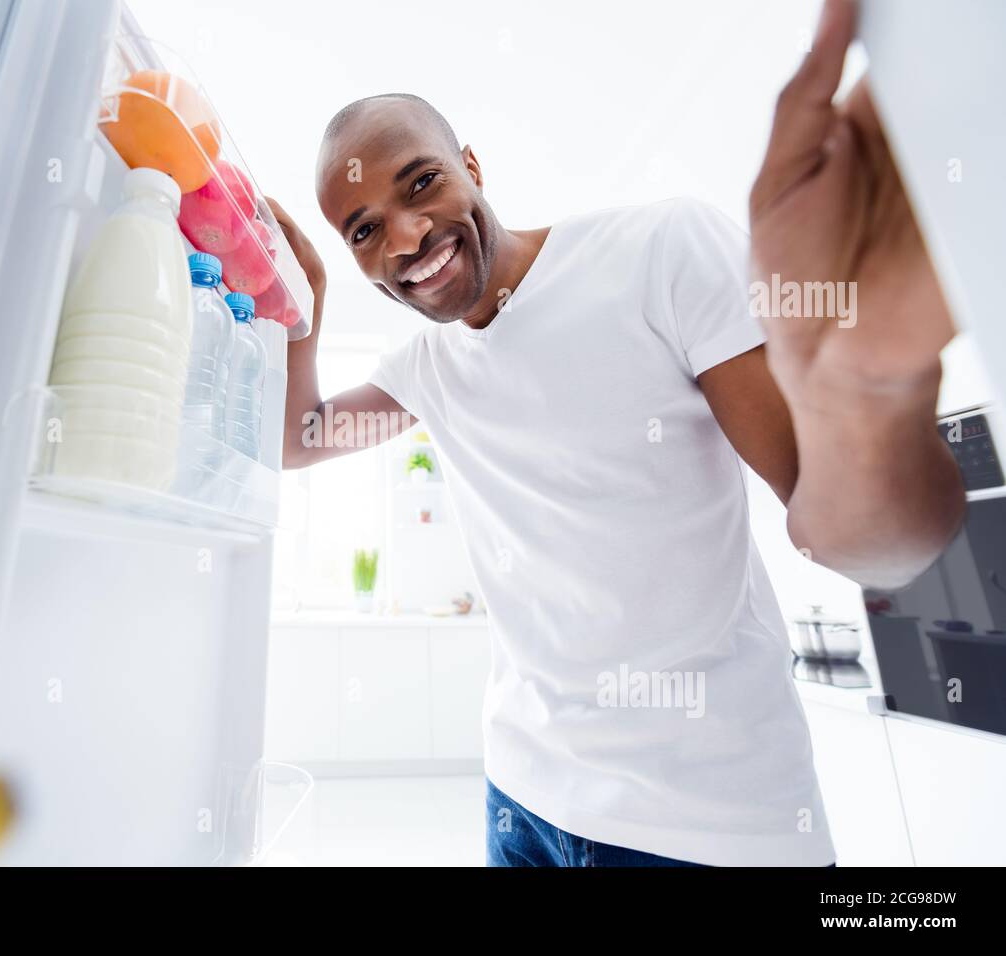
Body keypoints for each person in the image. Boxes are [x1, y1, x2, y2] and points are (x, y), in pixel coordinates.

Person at [266, 0, 962, 866]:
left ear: (470, 166)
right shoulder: (427, 367)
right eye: (363, 231)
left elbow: (863, 547)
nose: (408, 236)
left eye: (421, 183)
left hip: (706, 824)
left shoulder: (659, 251)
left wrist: (868, 386)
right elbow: (297, 440)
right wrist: (302, 316)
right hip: (521, 800)